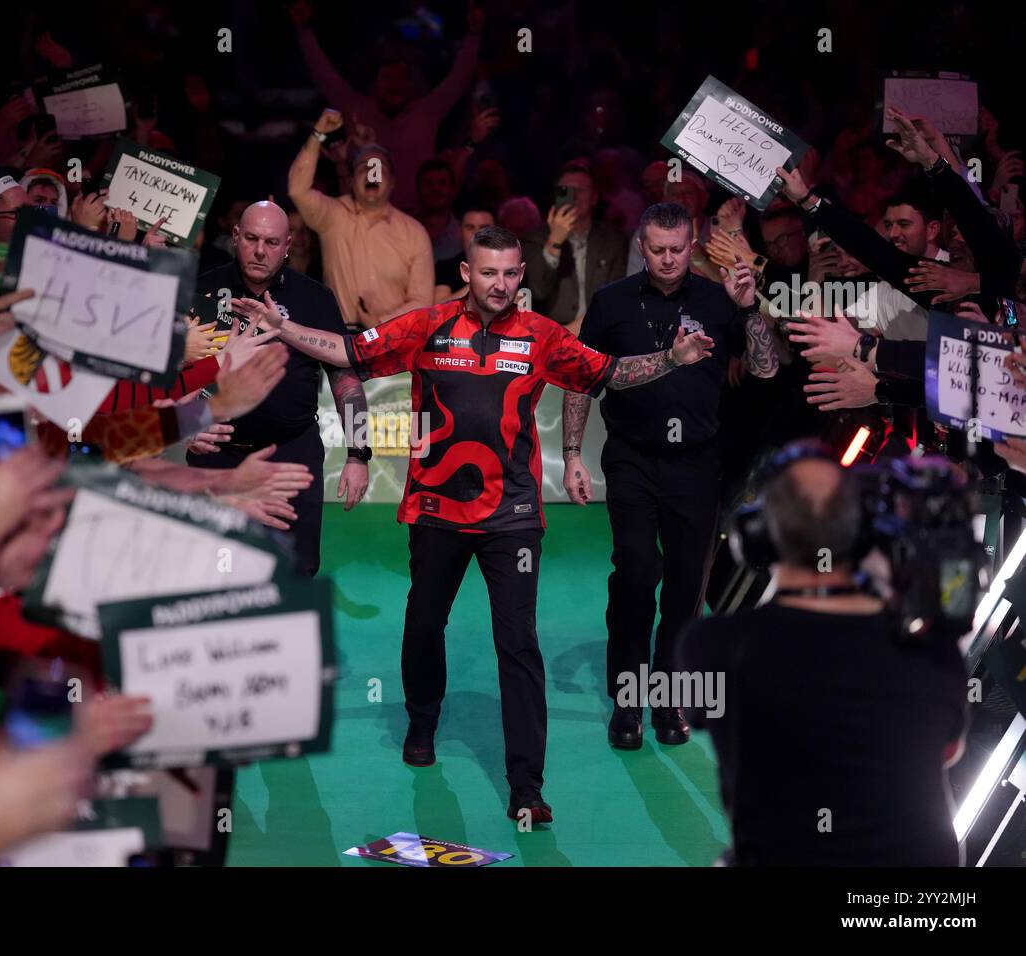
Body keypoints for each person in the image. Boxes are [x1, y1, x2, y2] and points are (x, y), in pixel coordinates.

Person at [231, 224, 715, 822]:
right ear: (467, 272)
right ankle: (423, 721)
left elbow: (608, 372)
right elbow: (349, 352)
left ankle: (527, 787)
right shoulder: (426, 326)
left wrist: (670, 358)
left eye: (512, 273)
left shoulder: (541, 336)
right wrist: (284, 329)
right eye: (489, 272)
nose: (501, 284)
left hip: (512, 517)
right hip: (435, 510)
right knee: (423, 625)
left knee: (519, 645)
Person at [679, 443, 967, 866]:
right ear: (865, 531)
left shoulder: (713, 645)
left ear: (757, 537)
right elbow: (949, 750)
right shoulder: (931, 647)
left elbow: (697, 713)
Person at [562, 202, 779, 751]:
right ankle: (627, 699)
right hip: (632, 458)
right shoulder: (611, 303)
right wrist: (570, 455)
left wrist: (752, 311)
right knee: (636, 572)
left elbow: (765, 368)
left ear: (692, 246)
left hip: (699, 464)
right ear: (641, 244)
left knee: (686, 588)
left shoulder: (716, 299)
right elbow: (581, 380)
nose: (667, 259)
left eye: (677, 250)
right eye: (657, 249)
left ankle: (669, 696)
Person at [190, 200, 371, 576]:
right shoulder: (201, 289)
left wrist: (358, 454)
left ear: (289, 244)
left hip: (292, 454)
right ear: (235, 237)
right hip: (217, 456)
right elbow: (171, 371)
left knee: (295, 573)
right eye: (251, 238)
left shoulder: (315, 297)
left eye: (272, 242)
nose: (260, 251)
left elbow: (345, 378)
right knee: (213, 576)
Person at [288, 0, 483, 211]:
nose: (395, 83)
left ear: (412, 85)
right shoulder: (355, 108)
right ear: (374, 85)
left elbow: (459, 79)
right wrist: (303, 29)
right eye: (387, 77)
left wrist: (473, 34)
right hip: (362, 217)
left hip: (417, 219)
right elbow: (323, 75)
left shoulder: (427, 112)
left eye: (402, 78)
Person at [289, 110, 435, 330]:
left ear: (393, 182)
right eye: (363, 168)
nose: (371, 173)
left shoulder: (414, 232)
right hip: (340, 339)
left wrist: (380, 324)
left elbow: (422, 300)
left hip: (394, 339)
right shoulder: (333, 214)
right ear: (352, 180)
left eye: (378, 169)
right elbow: (298, 189)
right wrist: (318, 133)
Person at [522, 158, 628, 337]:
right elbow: (537, 291)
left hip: (602, 331)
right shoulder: (535, 238)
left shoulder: (612, 239)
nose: (575, 196)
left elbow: (617, 296)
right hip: (553, 335)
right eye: (566, 190)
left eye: (581, 190)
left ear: (594, 197)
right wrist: (554, 241)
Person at [432, 198, 494, 301]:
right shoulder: (445, 268)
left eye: (484, 228)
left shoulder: (512, 267)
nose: (477, 234)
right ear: (460, 231)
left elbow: (521, 309)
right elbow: (439, 310)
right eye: (470, 227)